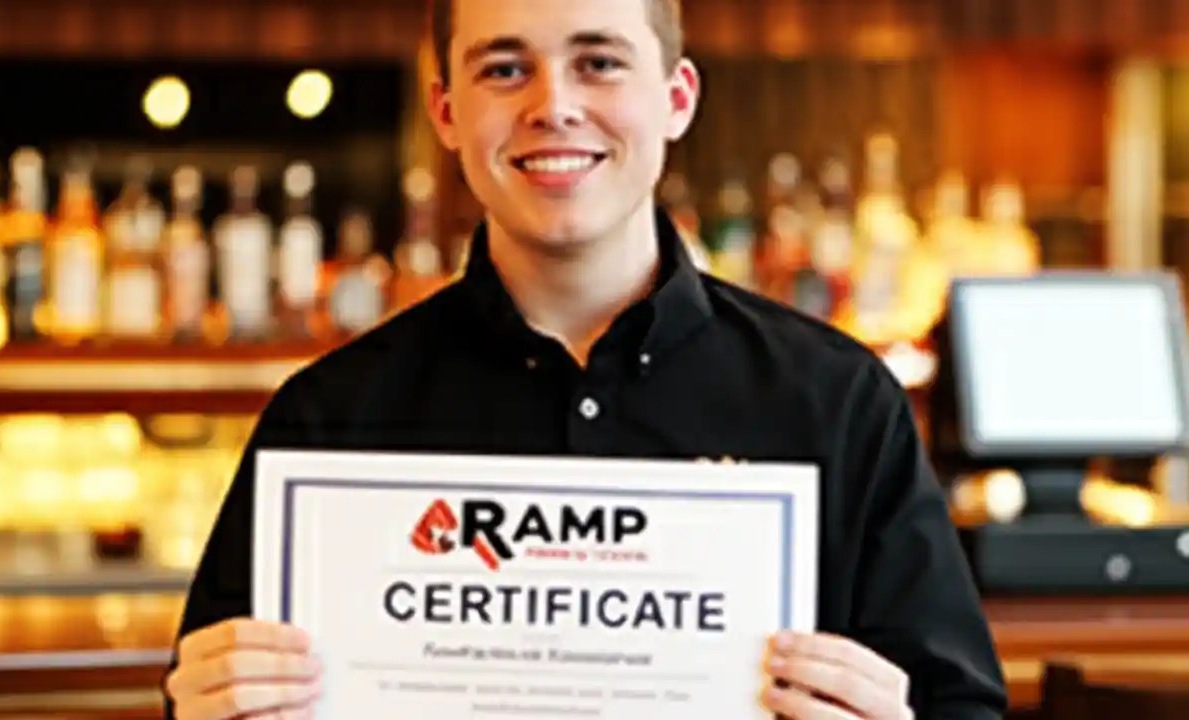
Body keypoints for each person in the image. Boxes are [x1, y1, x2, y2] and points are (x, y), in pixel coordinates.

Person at [162, 0, 1008, 717]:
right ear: (446, 110)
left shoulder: (839, 402)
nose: (553, 105)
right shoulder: (328, 419)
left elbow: (959, 705)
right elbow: (207, 696)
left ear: (676, 99)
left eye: (599, 62)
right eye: (503, 69)